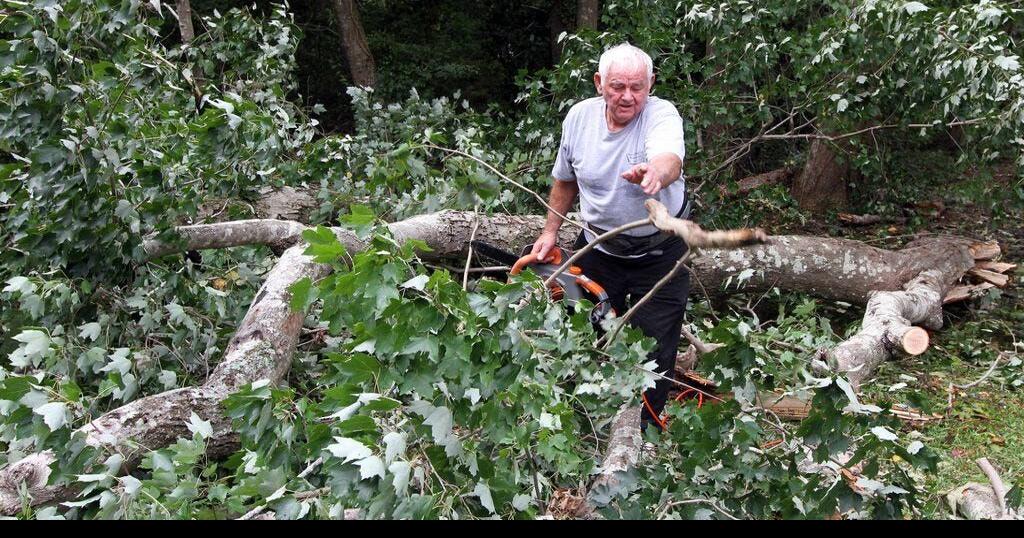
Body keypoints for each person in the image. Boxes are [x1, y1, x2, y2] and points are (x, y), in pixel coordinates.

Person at [530, 43, 690, 431]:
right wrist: (550, 231)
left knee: (655, 349)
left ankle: (645, 435)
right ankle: (578, 425)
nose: (628, 96)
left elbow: (670, 156)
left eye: (638, 87)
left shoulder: (661, 113)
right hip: (599, 248)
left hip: (661, 253)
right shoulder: (579, 119)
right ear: (599, 83)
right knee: (584, 333)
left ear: (651, 84)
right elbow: (565, 179)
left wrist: (655, 173)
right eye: (618, 86)